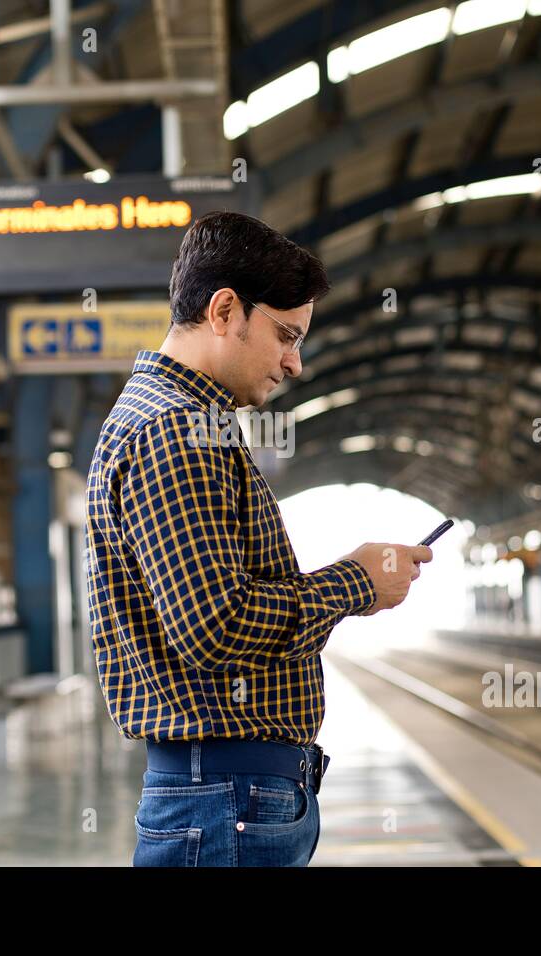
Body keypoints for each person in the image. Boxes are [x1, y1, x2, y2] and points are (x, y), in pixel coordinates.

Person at [84, 210, 433, 867]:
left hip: (224, 795)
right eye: (285, 335)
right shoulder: (176, 431)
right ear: (224, 310)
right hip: (225, 798)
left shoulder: (180, 422)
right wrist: (357, 583)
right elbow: (214, 626)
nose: (295, 363)